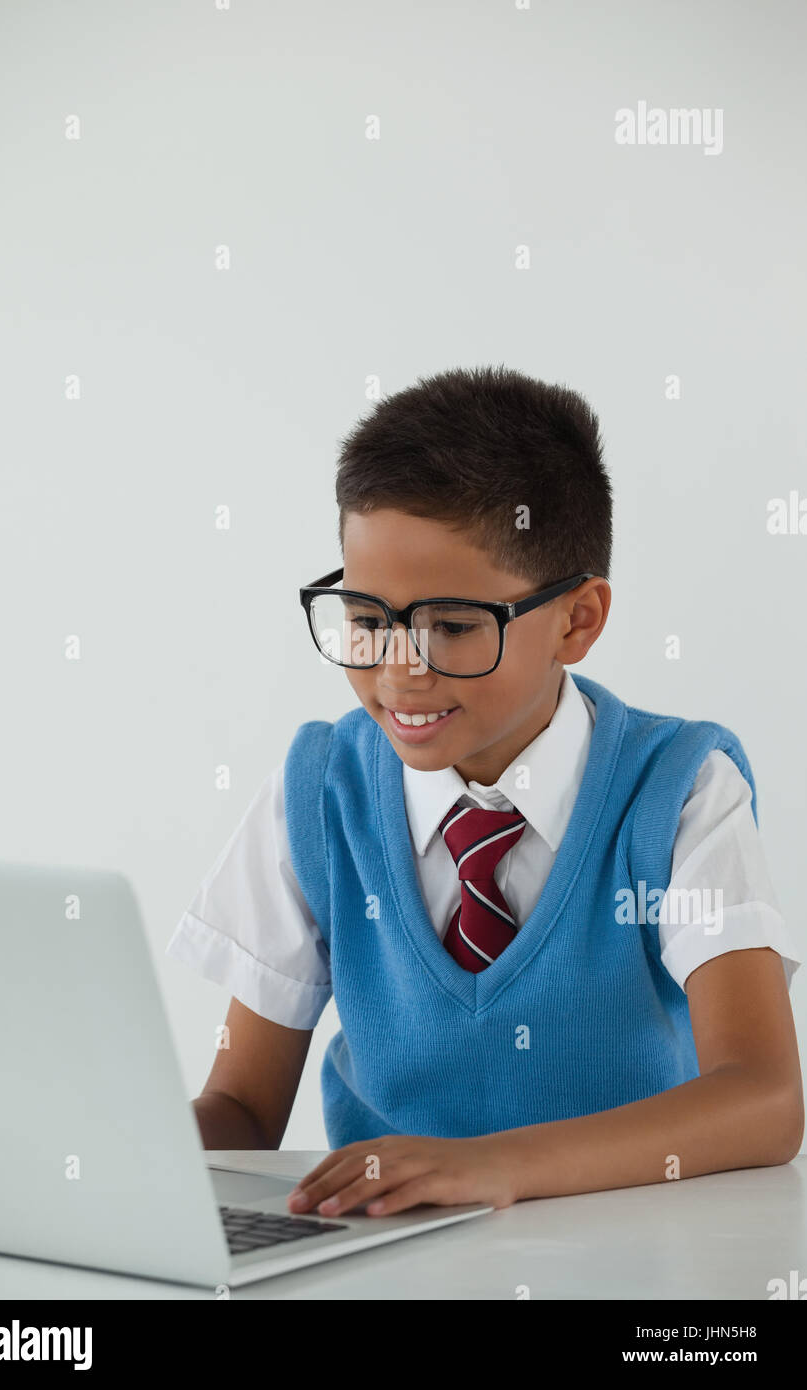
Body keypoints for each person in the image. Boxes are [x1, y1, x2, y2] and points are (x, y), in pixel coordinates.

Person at [166, 364, 803, 1220]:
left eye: (454, 627)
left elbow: (763, 1098)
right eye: (367, 620)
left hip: (635, 1258)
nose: (399, 671)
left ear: (577, 621)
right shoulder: (322, 790)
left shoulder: (679, 789)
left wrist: (494, 1167)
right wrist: (121, 1156)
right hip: (381, 1263)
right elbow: (242, 1109)